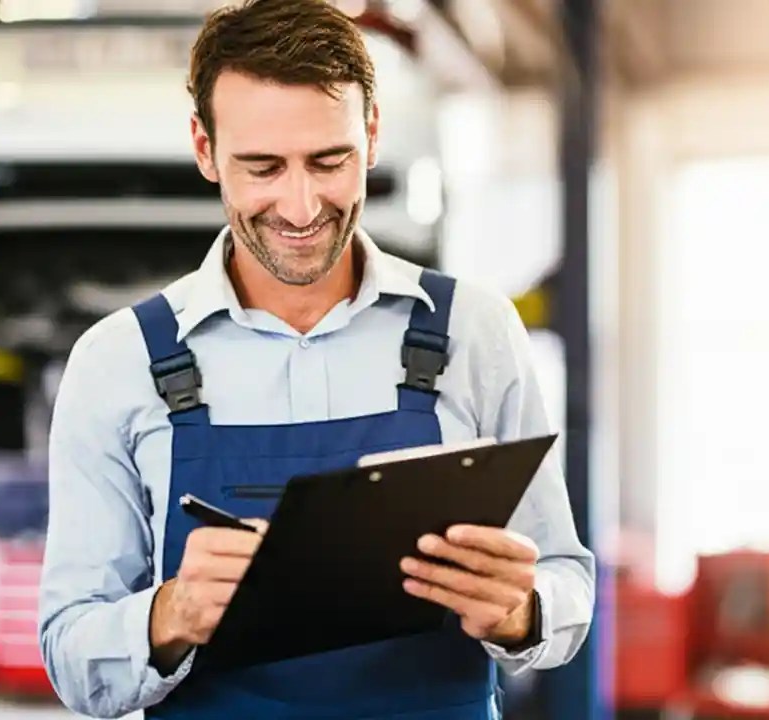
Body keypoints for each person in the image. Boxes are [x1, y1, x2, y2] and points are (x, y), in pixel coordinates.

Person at [37, 1, 595, 717]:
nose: (300, 208)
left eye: (328, 162)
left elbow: (565, 580)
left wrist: (523, 612)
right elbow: (70, 655)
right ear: (205, 149)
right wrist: (170, 613)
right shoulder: (117, 364)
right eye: (262, 167)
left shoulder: (473, 333)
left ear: (370, 134)